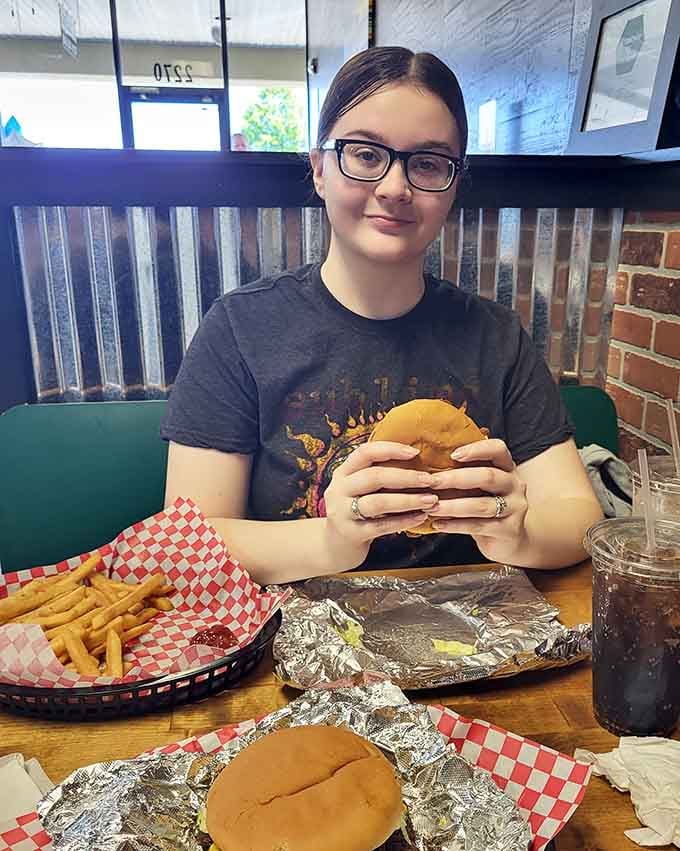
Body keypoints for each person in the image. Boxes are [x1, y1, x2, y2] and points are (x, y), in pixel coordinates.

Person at [162, 46, 602, 585]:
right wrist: (333, 539)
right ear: (320, 169)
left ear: (454, 186)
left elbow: (579, 513)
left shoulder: (495, 336)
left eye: (427, 163)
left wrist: (517, 532)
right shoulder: (240, 328)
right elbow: (190, 541)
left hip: (474, 646)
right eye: (366, 154)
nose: (396, 188)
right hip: (297, 650)